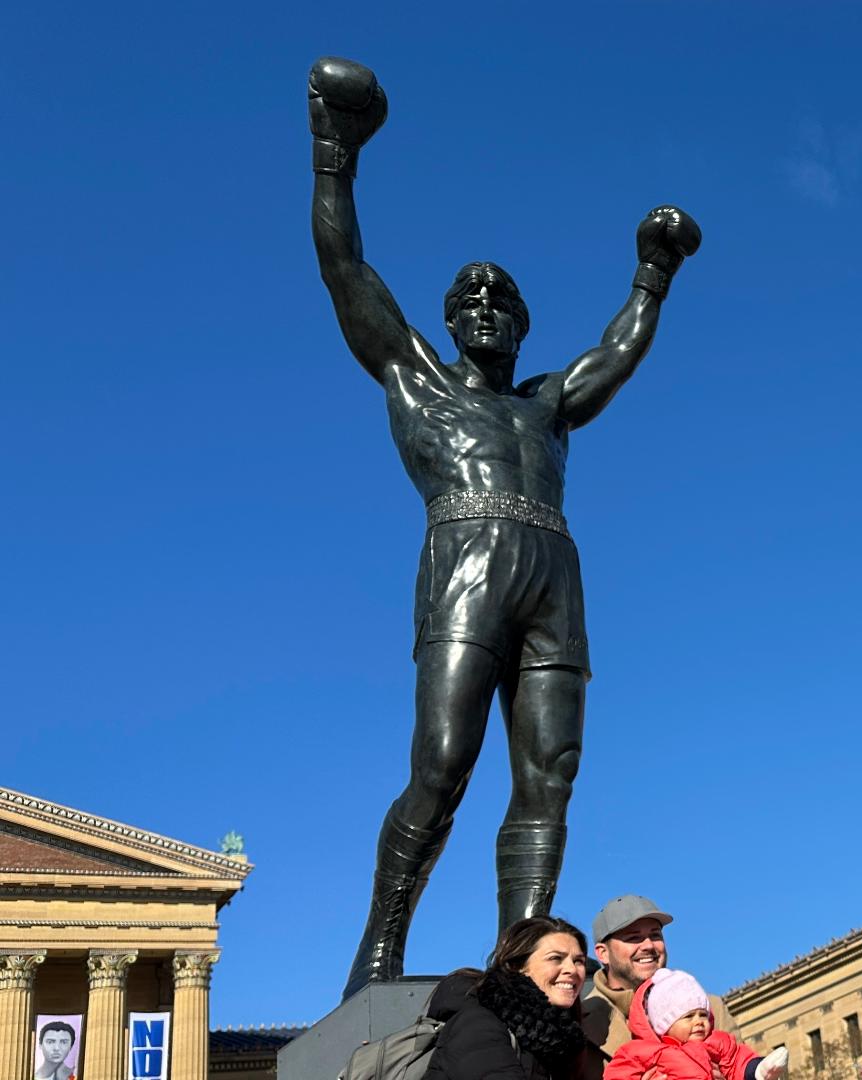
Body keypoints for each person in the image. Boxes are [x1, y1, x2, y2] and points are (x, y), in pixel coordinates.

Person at [307, 58, 704, 998]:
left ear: (521, 326)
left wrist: (653, 275)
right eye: (469, 300)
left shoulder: (548, 406)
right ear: (449, 323)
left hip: (553, 571)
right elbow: (345, 270)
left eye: (502, 301)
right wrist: (335, 159)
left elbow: (617, 351)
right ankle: (379, 950)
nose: (485, 308)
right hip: (467, 557)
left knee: (550, 777)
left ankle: (523, 960)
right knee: (442, 765)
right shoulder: (418, 378)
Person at [580, 896, 735, 1080]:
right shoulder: (579, 1023)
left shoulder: (712, 1008)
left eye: (655, 935)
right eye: (633, 938)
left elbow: (747, 1067)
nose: (648, 945)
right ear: (603, 953)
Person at [425, 915, 592, 1080]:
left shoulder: (558, 1044)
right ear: (517, 967)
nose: (572, 969)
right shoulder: (479, 1024)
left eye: (579, 961)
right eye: (555, 958)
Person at [604, 970, 786, 1080]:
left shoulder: (716, 1042)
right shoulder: (643, 1051)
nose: (699, 1021)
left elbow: (738, 1060)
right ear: (664, 1025)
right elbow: (619, 1073)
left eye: (703, 1015)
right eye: (688, 1016)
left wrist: (759, 1069)